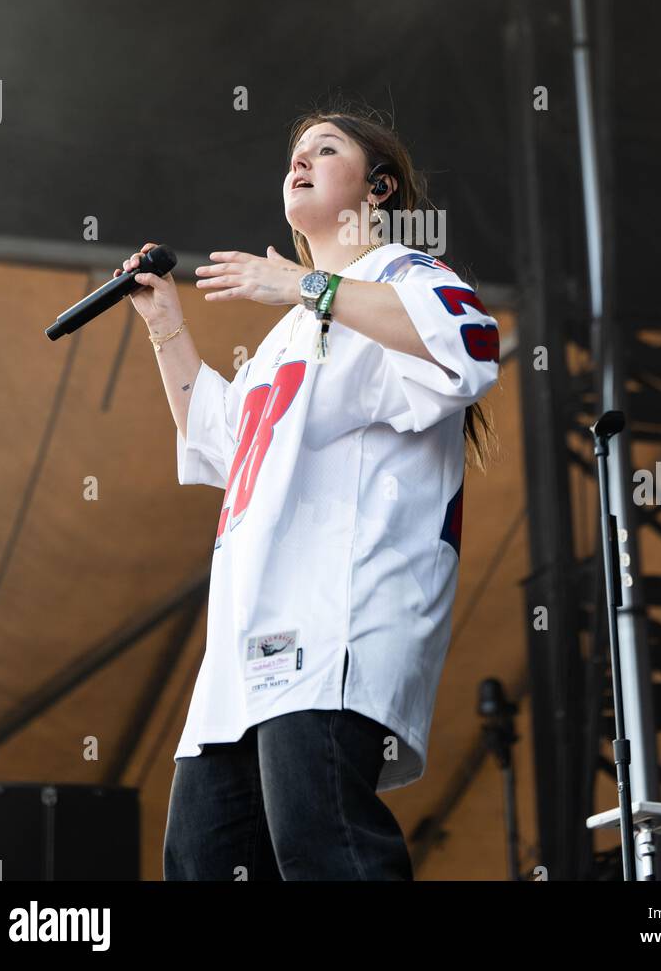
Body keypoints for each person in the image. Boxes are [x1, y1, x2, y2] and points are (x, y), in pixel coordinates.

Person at [118, 105, 500, 880]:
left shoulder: (405, 274)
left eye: (325, 150)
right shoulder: (286, 331)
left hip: (337, 623)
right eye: (293, 153)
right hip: (243, 645)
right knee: (200, 859)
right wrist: (166, 325)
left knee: (324, 848)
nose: (300, 162)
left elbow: (469, 344)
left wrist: (303, 282)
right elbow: (223, 446)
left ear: (379, 187)